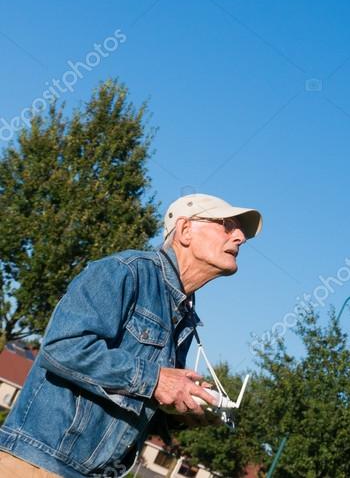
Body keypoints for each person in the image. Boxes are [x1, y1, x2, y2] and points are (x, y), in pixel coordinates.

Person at [0, 193, 262, 477]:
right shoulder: (125, 272)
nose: (240, 237)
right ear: (185, 230)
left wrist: (179, 413)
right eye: (226, 225)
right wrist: (156, 380)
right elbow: (62, 347)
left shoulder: (184, 314)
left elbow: (131, 400)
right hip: (37, 464)